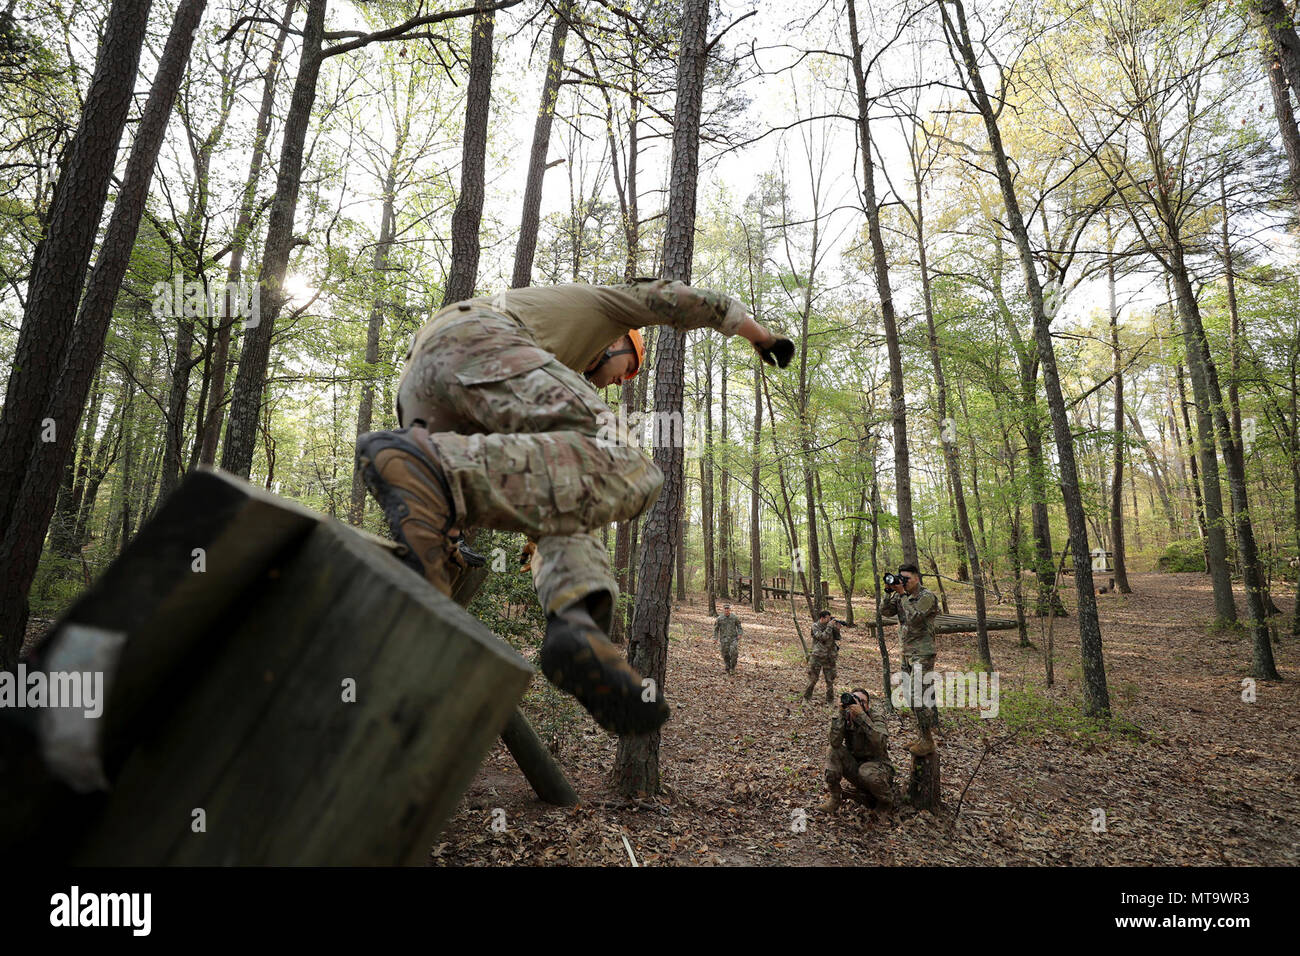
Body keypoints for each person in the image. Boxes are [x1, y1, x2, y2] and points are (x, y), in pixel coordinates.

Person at [355, 279, 794, 736]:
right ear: (618, 343)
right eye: (630, 369)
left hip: (421, 392)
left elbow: (546, 484)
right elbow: (675, 299)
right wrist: (760, 336)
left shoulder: (541, 370)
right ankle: (436, 468)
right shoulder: (603, 309)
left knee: (570, 499)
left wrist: (528, 540)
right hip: (479, 337)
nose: (622, 381)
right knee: (631, 466)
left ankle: (575, 622)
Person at [880, 562, 940, 757]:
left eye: (906, 579)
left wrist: (903, 595)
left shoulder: (927, 597)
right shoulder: (900, 595)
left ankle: (928, 740)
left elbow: (915, 618)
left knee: (918, 696)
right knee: (908, 695)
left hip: (922, 653)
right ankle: (921, 736)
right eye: (901, 578)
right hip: (906, 653)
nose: (903, 582)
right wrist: (889, 592)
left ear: (917, 578)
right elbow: (885, 611)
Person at [821, 688, 895, 813]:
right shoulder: (846, 717)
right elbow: (835, 742)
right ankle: (835, 798)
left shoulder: (875, 717)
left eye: (862, 701)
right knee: (833, 751)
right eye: (855, 699)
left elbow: (879, 742)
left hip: (879, 769)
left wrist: (861, 716)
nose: (857, 703)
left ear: (867, 705)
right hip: (856, 767)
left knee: (866, 771)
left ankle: (886, 802)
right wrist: (840, 713)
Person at [803, 609, 840, 703]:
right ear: (822, 618)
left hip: (829, 657)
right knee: (813, 679)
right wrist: (829, 627)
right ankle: (806, 698)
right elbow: (822, 637)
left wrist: (837, 629)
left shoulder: (831, 626)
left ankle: (830, 700)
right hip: (817, 657)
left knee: (830, 680)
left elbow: (837, 638)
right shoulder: (815, 626)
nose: (829, 620)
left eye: (830, 618)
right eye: (828, 618)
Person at [714, 602, 742, 674]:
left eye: (728, 610)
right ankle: (727, 665)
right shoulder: (719, 618)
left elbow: (739, 626)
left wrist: (740, 634)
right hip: (724, 639)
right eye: (725, 610)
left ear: (730, 610)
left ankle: (733, 667)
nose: (727, 611)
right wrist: (715, 638)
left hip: (733, 638)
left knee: (734, 653)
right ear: (723, 610)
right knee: (725, 654)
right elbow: (716, 629)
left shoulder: (734, 617)